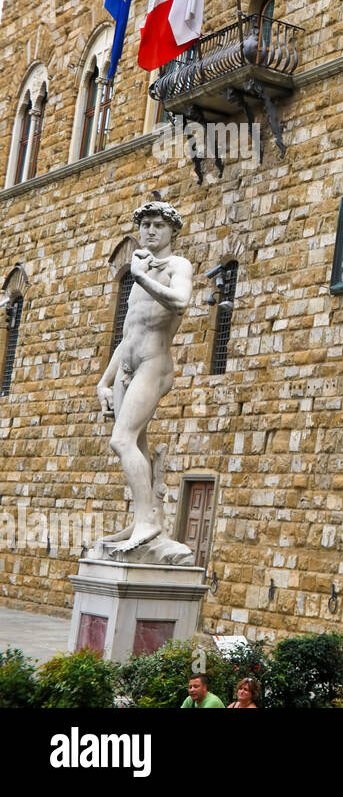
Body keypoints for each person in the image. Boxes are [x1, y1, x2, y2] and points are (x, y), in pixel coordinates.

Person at [95, 201, 193, 556]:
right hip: (127, 368)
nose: (150, 230)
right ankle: (147, 518)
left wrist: (142, 277)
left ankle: (147, 522)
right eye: (146, 225)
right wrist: (104, 381)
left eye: (158, 225)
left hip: (154, 364)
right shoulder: (141, 272)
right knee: (137, 445)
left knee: (122, 440)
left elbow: (181, 302)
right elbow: (128, 335)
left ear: (172, 231)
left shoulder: (177, 265)